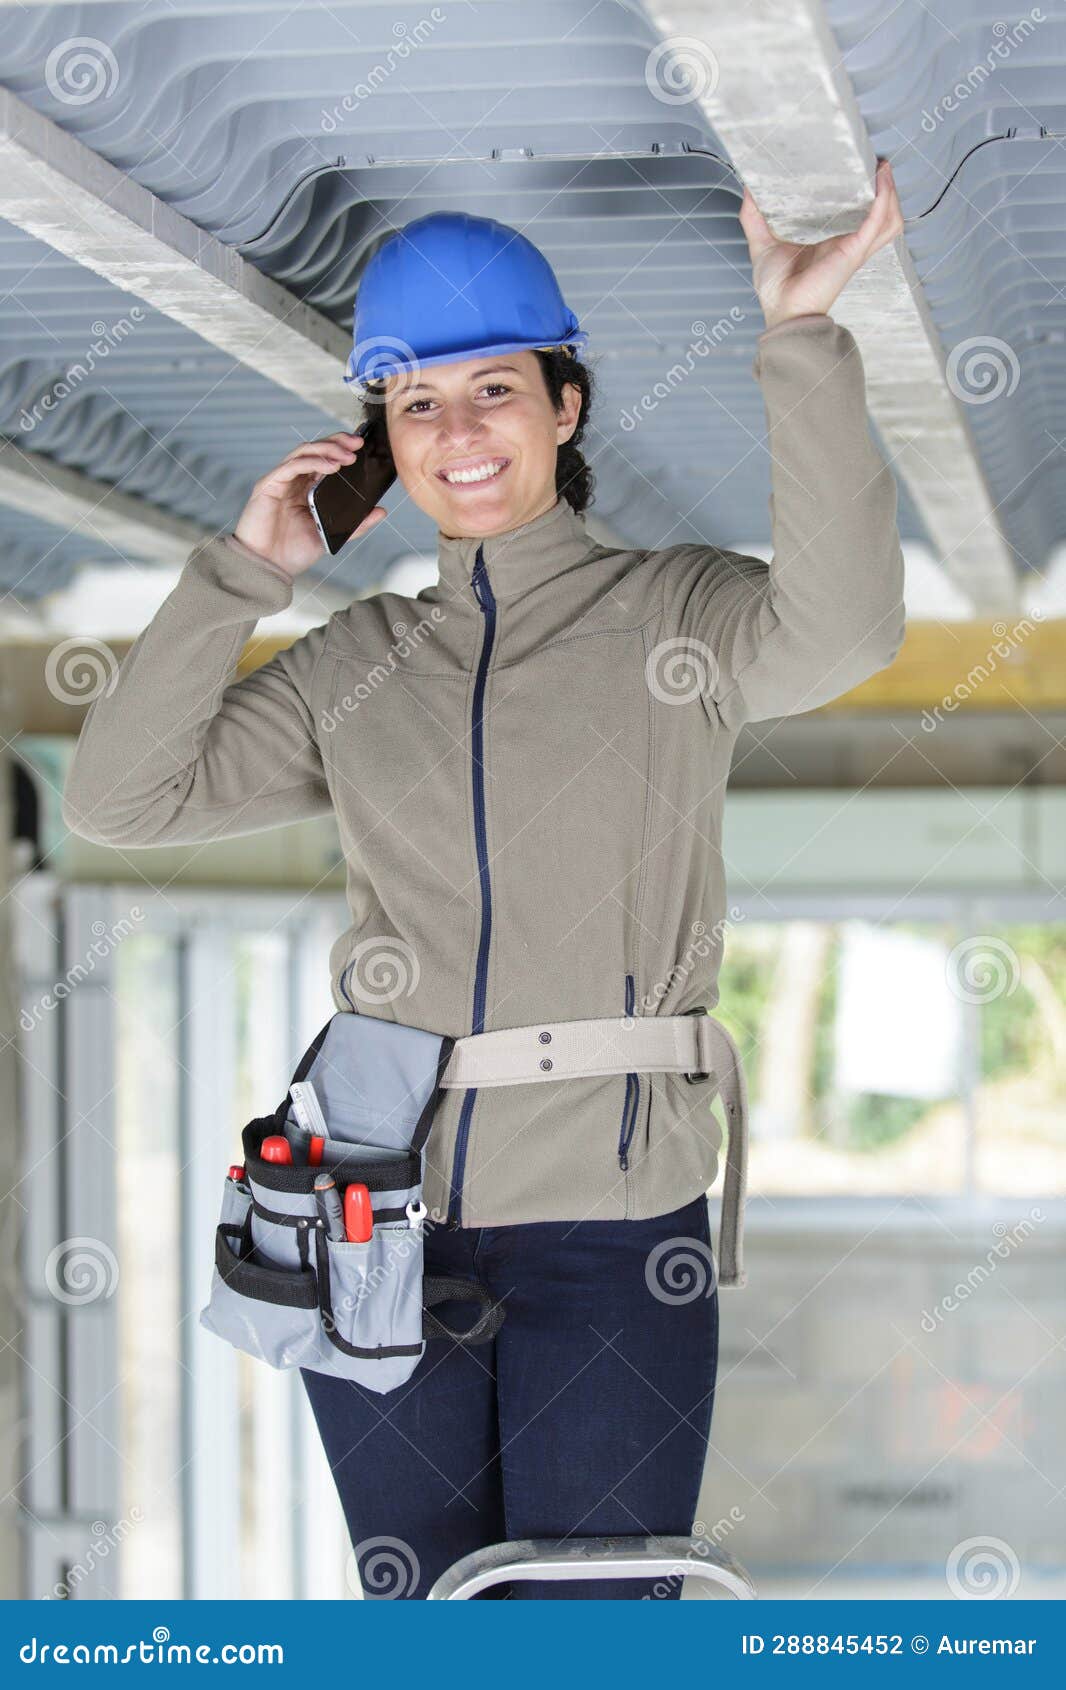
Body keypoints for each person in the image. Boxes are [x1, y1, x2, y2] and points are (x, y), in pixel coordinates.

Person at [62, 164, 906, 1599]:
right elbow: (120, 798)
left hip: (616, 1233)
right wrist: (242, 573)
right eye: (417, 404)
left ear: (563, 404)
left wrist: (801, 340)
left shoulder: (675, 617)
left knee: (585, 1627)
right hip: (367, 1212)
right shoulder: (357, 665)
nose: (457, 433)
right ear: (381, 439)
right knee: (422, 1624)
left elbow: (844, 628)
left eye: (493, 390)